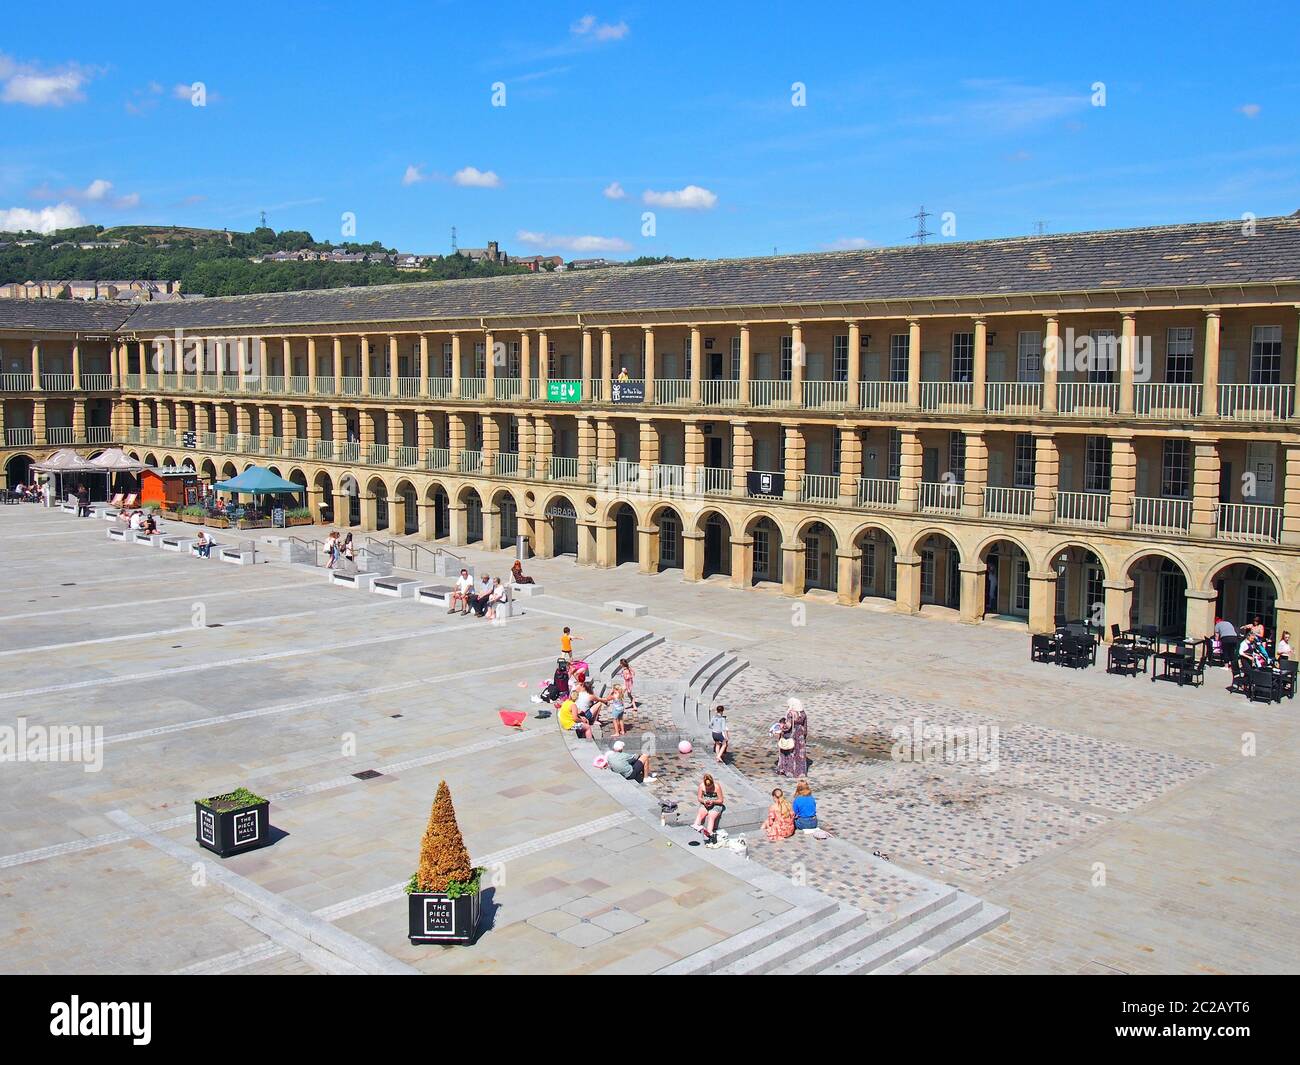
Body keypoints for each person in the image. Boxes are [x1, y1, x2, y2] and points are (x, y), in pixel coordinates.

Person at [776, 697, 809, 778]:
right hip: (800, 736)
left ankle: (788, 771)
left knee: (790, 753)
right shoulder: (803, 714)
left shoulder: (791, 714)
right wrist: (804, 736)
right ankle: (800, 772)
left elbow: (788, 726)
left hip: (791, 735)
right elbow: (805, 727)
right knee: (800, 755)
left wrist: (780, 727)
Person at [691, 774, 726, 841]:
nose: (709, 789)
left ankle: (708, 833)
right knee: (701, 813)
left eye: (710, 787)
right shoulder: (701, 786)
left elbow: (721, 800)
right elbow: (699, 798)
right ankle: (695, 828)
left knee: (711, 815)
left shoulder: (717, 787)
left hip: (716, 804)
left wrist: (713, 802)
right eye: (707, 788)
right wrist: (704, 801)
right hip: (705, 803)